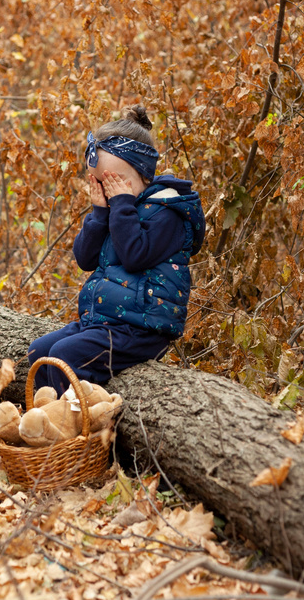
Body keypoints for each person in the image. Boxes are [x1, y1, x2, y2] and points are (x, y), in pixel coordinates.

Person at [27, 105, 206, 394]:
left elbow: (135, 257)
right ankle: (47, 418)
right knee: (40, 351)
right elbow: (85, 259)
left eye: (113, 183)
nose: (107, 192)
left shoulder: (167, 212)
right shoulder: (115, 210)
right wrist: (100, 213)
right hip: (104, 322)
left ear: (141, 175)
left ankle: (72, 425)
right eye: (99, 183)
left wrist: (120, 205)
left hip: (142, 329)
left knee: (65, 356)